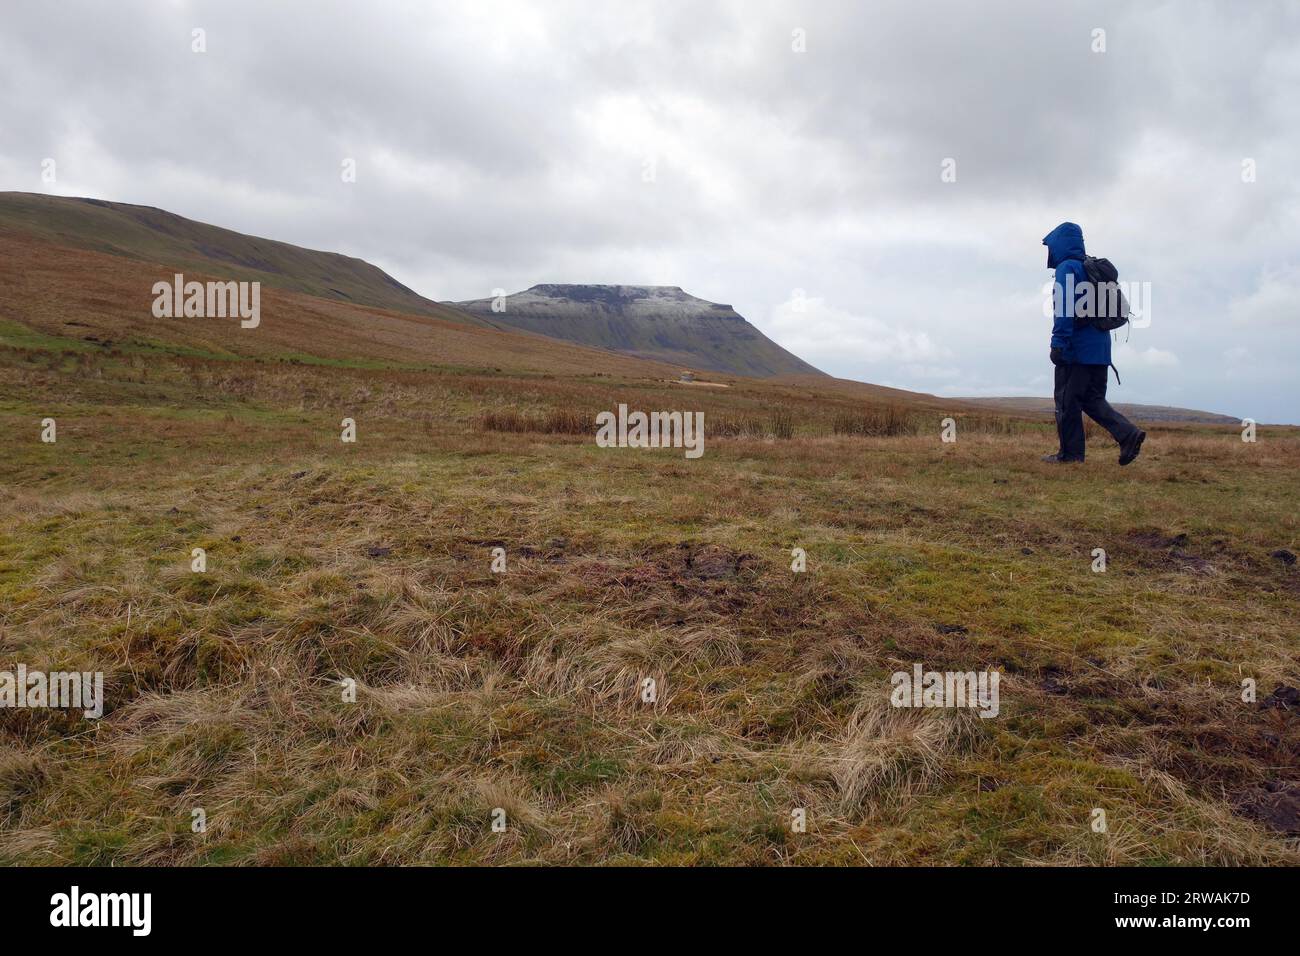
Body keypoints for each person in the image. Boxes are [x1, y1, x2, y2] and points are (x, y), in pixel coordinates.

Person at [1041, 221, 1145, 465]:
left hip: (1077, 350)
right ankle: (1128, 435)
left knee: (1067, 402)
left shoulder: (1068, 268)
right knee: (1092, 399)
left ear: (1058, 244)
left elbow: (1065, 307)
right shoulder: (1091, 268)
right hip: (1100, 349)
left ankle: (1071, 455)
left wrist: (1059, 343)